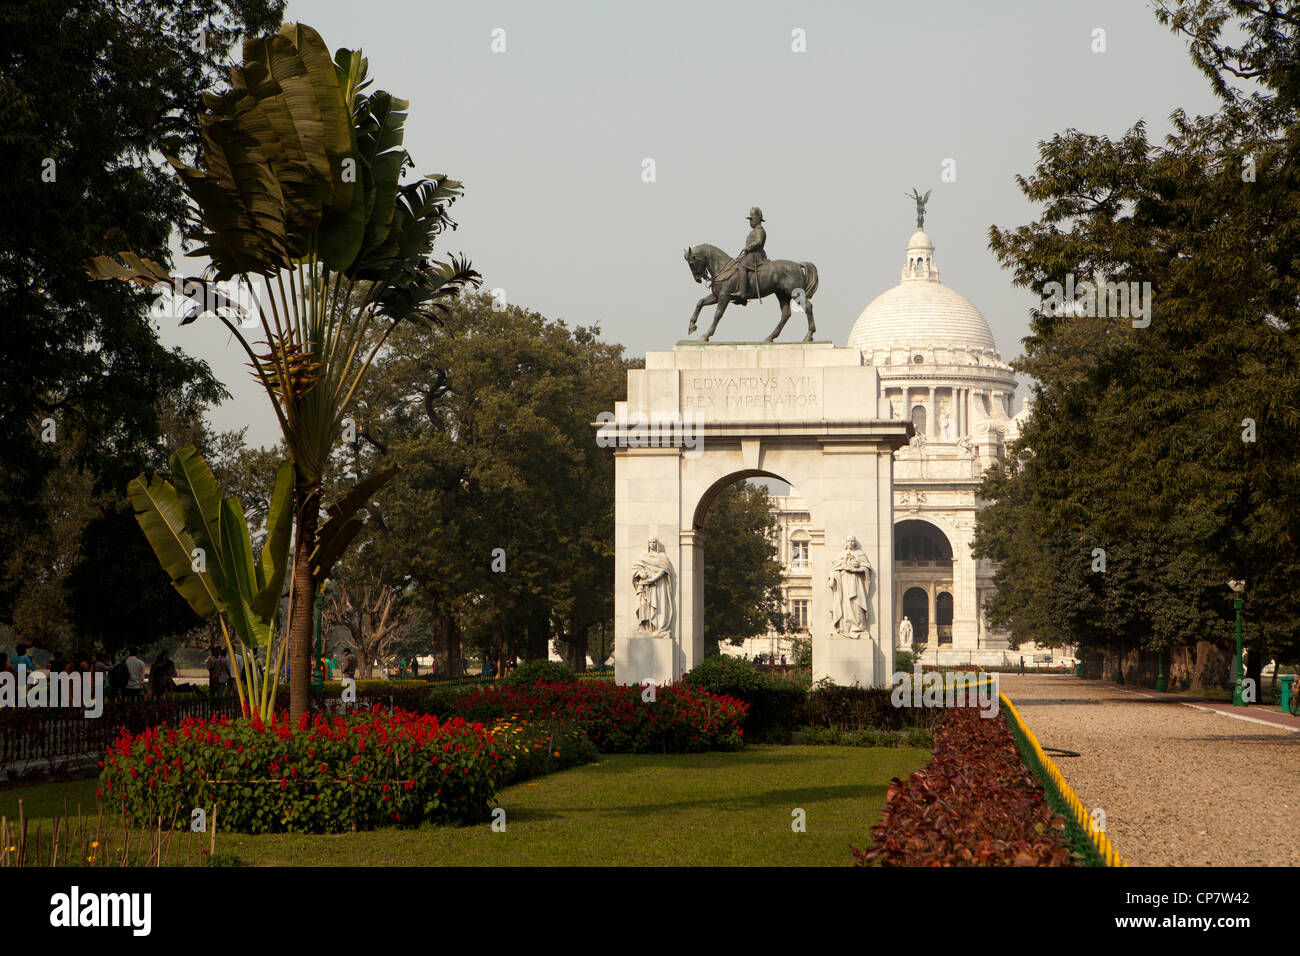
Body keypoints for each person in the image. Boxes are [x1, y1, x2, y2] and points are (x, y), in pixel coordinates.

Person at [730, 207, 768, 304]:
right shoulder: (753, 231)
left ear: (757, 219)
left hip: (756, 255)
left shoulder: (760, 230)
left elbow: (759, 242)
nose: (750, 222)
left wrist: (748, 247)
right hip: (750, 255)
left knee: (742, 266)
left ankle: (742, 294)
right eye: (749, 220)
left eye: (751, 219)